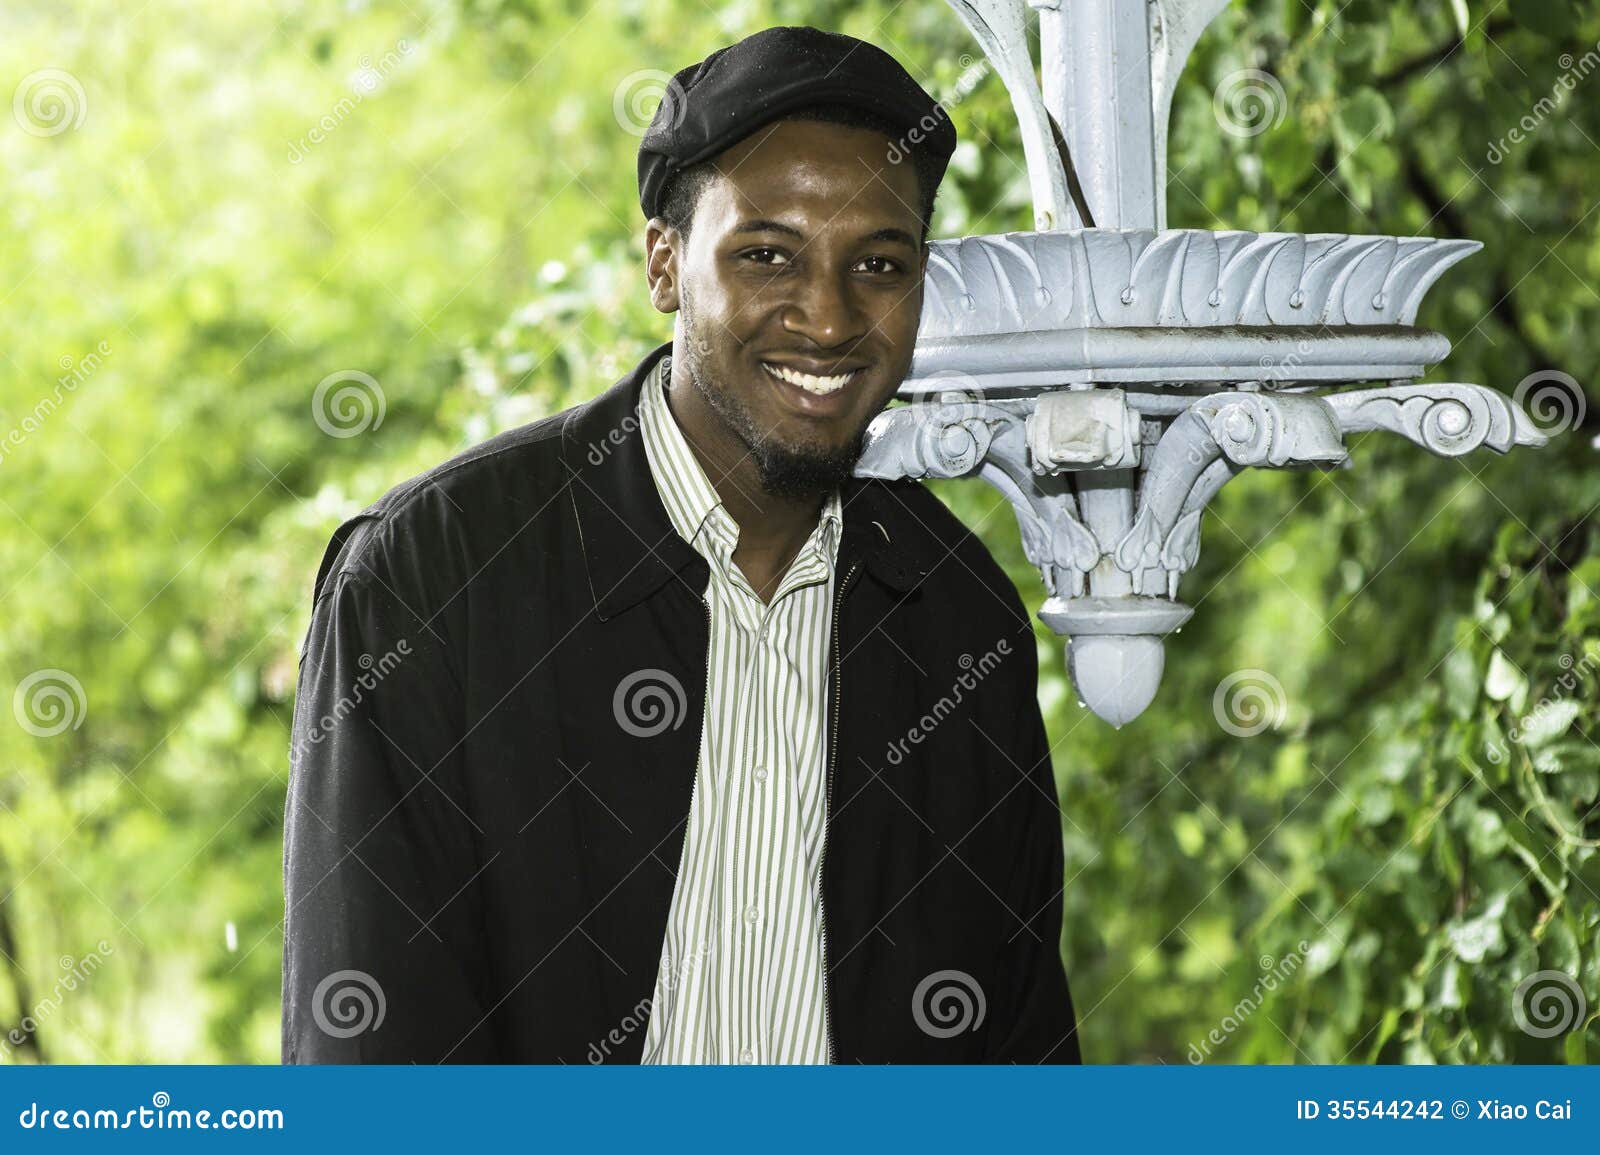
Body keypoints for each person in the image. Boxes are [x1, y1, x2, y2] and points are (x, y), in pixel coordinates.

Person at [282, 24, 1081, 1065]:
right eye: (766, 254)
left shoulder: (956, 617)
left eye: (878, 263)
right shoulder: (438, 576)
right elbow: (369, 1060)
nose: (829, 315)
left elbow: (1019, 1056)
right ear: (664, 263)